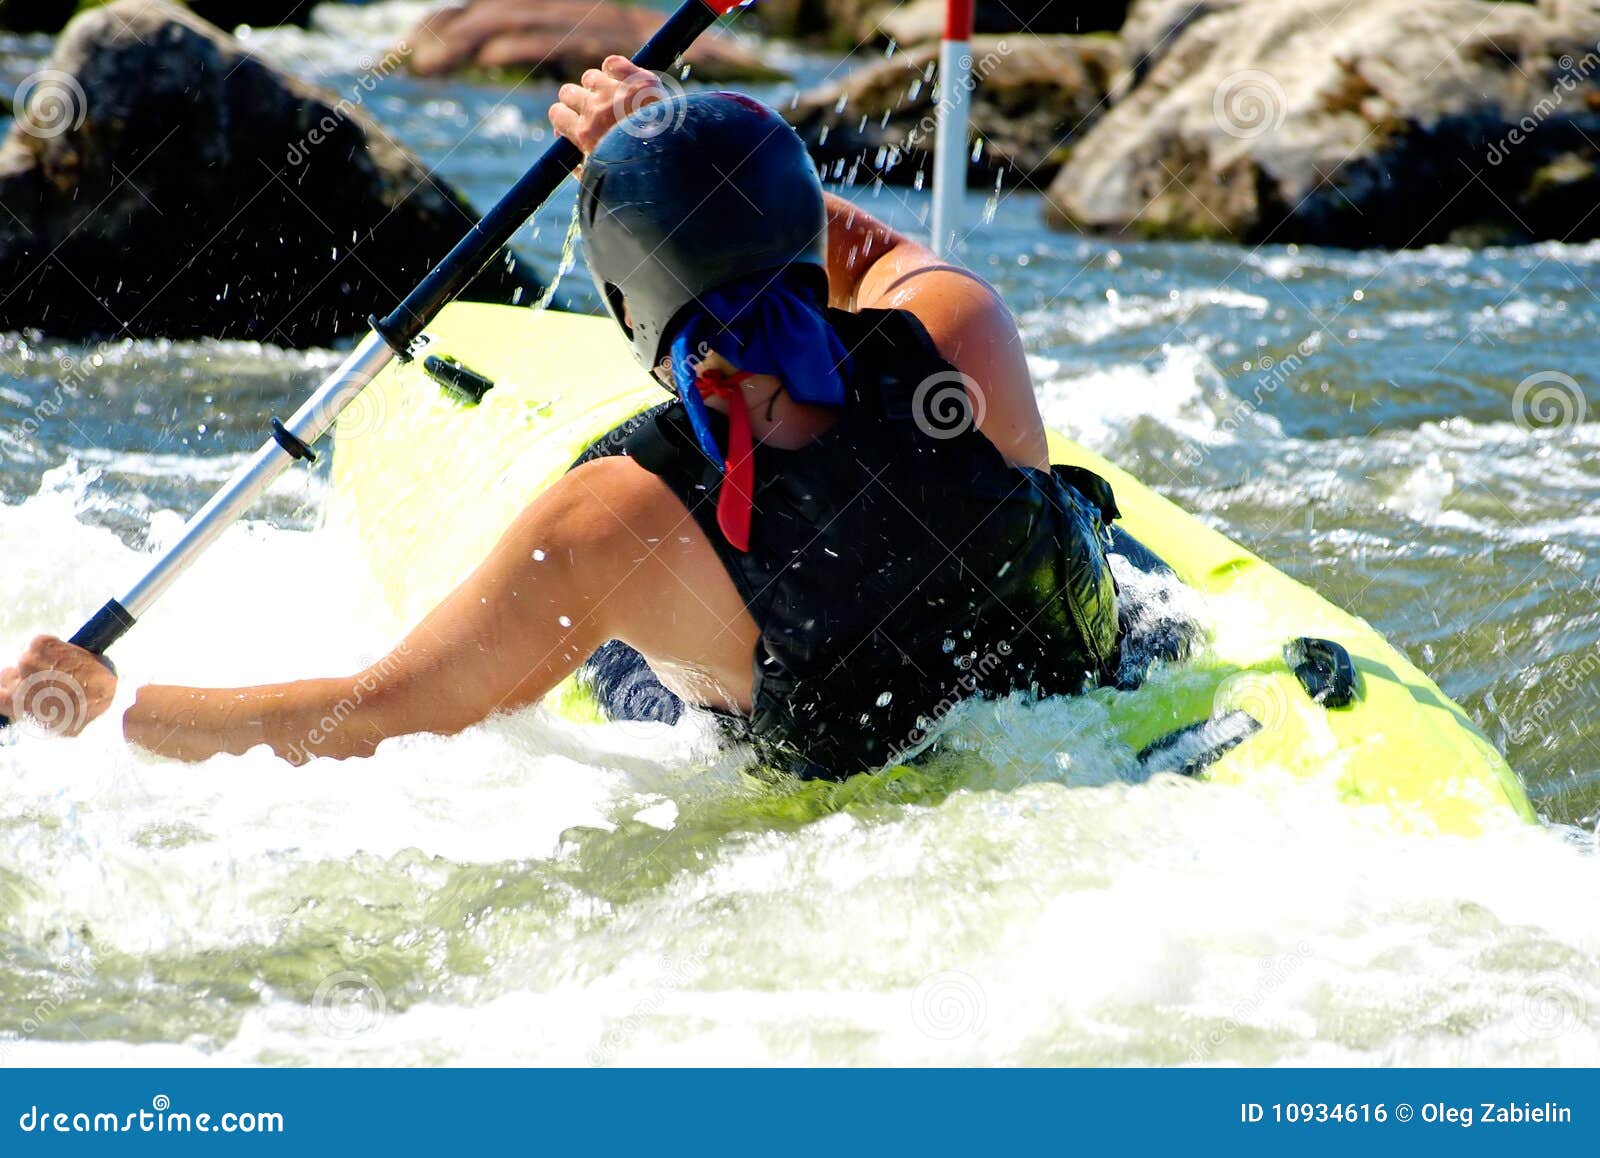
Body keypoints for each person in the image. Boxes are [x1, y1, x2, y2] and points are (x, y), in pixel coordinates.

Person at [1, 59, 1119, 776]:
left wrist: (109, 710)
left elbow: (373, 716)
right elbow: (865, 250)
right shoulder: (958, 332)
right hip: (1087, 689)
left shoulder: (608, 519)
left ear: (626, 297)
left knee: (620, 670)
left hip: (838, 781)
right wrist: (673, 138)